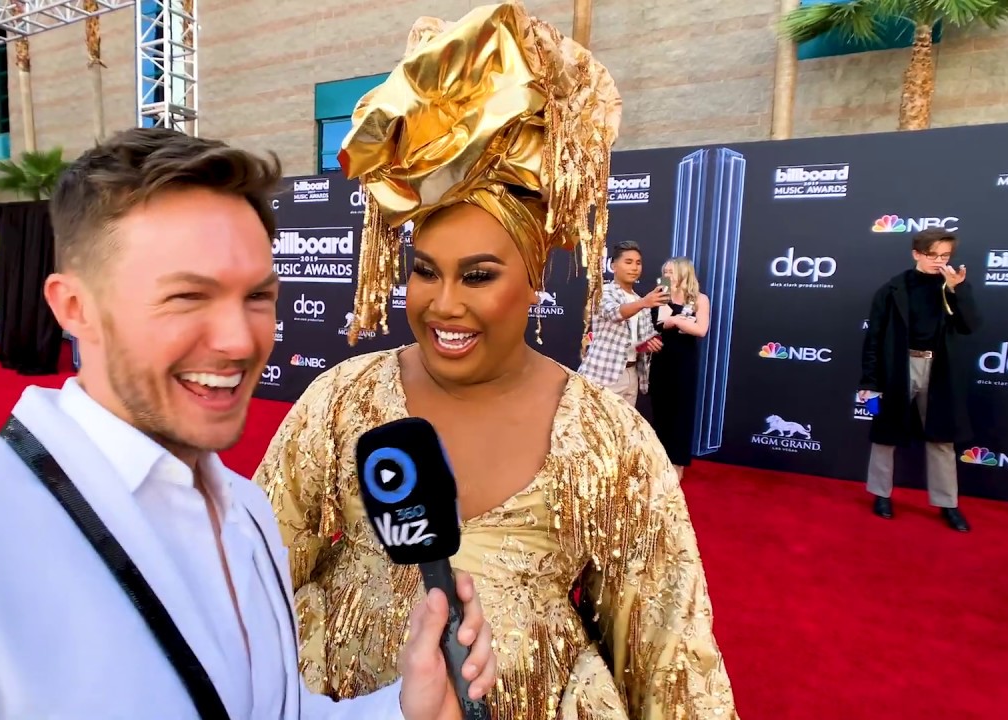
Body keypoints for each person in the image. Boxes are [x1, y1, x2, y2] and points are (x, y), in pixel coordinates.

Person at [0, 128, 499, 719]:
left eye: (257, 296)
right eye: (186, 297)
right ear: (73, 308)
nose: (240, 340)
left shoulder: (248, 512)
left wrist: (403, 710)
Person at [255, 4, 738, 718]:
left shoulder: (612, 439)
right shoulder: (342, 400)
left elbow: (671, 658)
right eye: (424, 270)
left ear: (533, 281)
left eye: (478, 276)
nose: (442, 304)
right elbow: (250, 582)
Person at [859, 228, 979, 533]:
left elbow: (970, 326)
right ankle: (881, 495)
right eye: (932, 255)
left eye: (945, 256)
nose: (939, 261)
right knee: (886, 434)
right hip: (898, 367)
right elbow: (873, 339)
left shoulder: (951, 285)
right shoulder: (891, 290)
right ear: (916, 254)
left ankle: (947, 503)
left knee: (942, 437)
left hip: (939, 368)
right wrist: (870, 382)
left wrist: (956, 290)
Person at [578, 241, 667, 405]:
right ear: (613, 266)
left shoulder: (640, 300)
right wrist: (644, 303)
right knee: (600, 428)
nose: (634, 267)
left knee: (624, 430)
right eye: (628, 262)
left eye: (638, 263)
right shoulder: (602, 292)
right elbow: (614, 313)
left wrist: (647, 345)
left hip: (632, 374)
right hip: (603, 373)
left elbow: (639, 342)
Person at [648, 257, 710, 479]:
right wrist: (679, 322)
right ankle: (660, 460)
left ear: (684, 273)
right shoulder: (660, 296)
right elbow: (657, 326)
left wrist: (676, 322)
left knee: (682, 412)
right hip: (661, 359)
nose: (667, 274)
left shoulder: (700, 299)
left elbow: (701, 329)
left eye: (671, 271)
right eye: (665, 270)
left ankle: (678, 463)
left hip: (684, 361)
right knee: (661, 410)